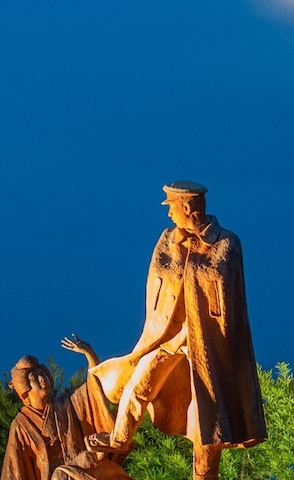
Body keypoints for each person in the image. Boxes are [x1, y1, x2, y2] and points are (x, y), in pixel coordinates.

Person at [92, 180, 268, 480]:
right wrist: (182, 249)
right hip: (169, 335)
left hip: (209, 344)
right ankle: (120, 438)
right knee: (140, 380)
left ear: (188, 207)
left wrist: (194, 253)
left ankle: (204, 474)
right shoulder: (167, 239)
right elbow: (159, 274)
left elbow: (222, 284)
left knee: (207, 415)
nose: (169, 215)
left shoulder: (227, 242)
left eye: (171, 207)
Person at [0, 355, 131, 480]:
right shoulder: (21, 425)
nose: (42, 378)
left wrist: (89, 355)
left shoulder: (68, 403)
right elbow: (14, 469)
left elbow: (93, 390)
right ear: (25, 388)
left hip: (82, 469)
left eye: (43, 373)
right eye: (35, 377)